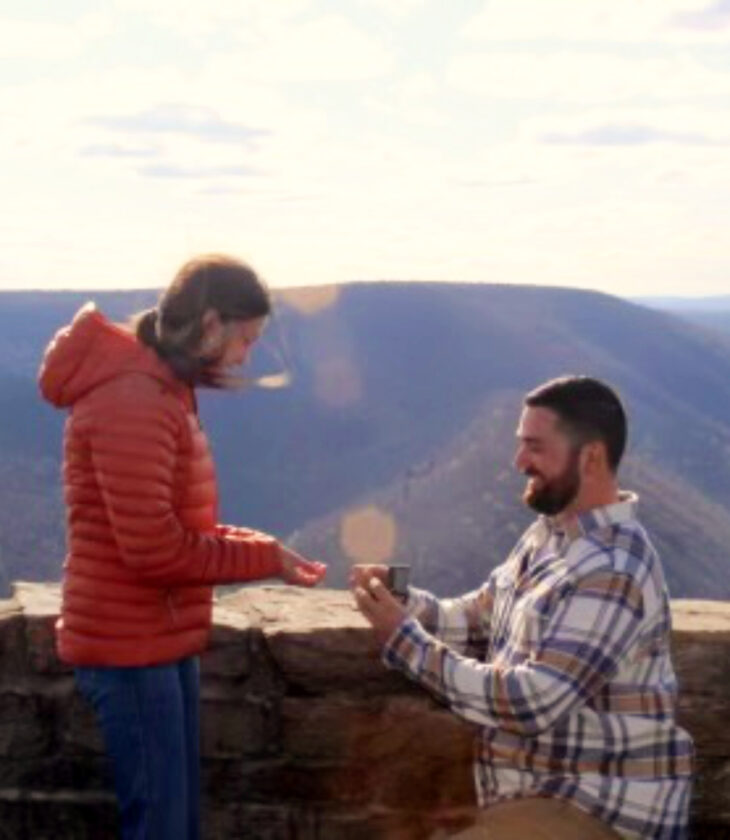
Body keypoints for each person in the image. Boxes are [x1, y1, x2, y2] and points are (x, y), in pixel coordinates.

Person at [38, 254, 326, 840]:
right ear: (210, 323)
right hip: (129, 645)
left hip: (154, 635)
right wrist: (264, 559)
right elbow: (154, 550)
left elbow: (172, 529)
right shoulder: (132, 399)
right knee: (162, 826)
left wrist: (264, 547)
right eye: (245, 339)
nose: (246, 356)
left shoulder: (160, 389)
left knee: (174, 821)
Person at [352, 376, 693, 839]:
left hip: (596, 811)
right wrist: (401, 603)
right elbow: (478, 621)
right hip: (539, 800)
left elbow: (532, 702)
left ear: (590, 456)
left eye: (535, 447)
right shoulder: (550, 537)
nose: (519, 462)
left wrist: (405, 642)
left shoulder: (614, 568)